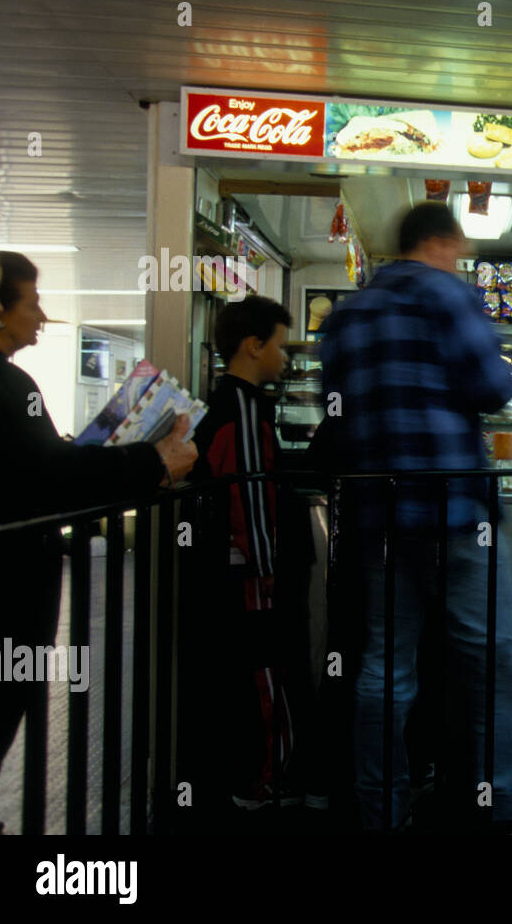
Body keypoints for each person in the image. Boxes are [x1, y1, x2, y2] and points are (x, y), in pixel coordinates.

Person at [318, 203, 512, 831]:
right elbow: (494, 388)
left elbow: (335, 408)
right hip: (457, 508)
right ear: (441, 242)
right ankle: (504, 804)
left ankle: (380, 809)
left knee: (385, 666)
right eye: (459, 248)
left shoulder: (346, 314)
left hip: (378, 513)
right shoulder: (448, 295)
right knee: (489, 661)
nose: (460, 258)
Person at [0, 249, 197, 834]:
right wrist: (153, 462)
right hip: (3, 598)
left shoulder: (9, 382)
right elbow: (48, 478)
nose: (41, 316)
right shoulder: (1, 384)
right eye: (24, 299)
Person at [185, 295, 308, 813]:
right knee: (262, 674)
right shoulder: (242, 409)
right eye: (281, 345)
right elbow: (249, 497)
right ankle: (260, 782)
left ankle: (249, 778)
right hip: (249, 574)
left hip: (232, 573)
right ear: (254, 346)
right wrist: (266, 566)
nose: (287, 358)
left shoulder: (225, 403)